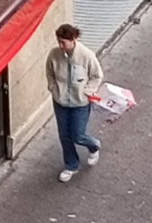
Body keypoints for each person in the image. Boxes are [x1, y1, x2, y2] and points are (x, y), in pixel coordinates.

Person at [45, 24, 104, 182]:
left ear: (73, 40)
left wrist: (88, 91)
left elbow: (97, 75)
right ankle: (71, 165)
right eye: (59, 42)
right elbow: (49, 72)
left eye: (64, 42)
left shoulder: (86, 55)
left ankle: (94, 145)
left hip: (80, 103)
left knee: (78, 134)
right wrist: (53, 88)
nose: (61, 46)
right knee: (64, 135)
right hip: (61, 102)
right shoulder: (54, 54)